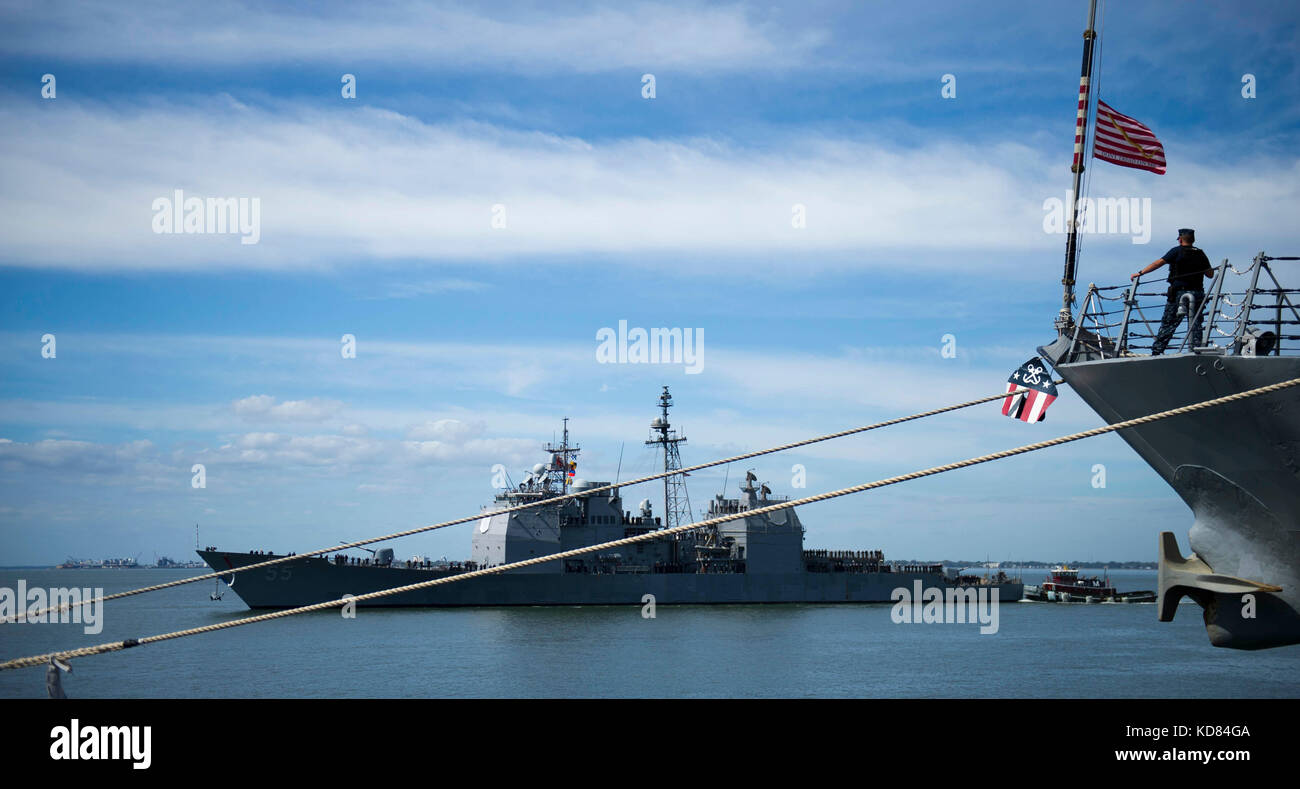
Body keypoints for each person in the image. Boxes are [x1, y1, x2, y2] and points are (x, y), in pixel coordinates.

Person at [1131, 228, 1213, 355]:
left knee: (1169, 323)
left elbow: (1158, 263)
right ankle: (1197, 349)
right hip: (1197, 293)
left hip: (1179, 294)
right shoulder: (1200, 253)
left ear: (1180, 239)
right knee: (1196, 324)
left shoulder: (1176, 251)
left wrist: (1140, 273)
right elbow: (1210, 274)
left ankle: (1157, 351)